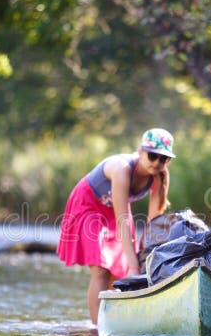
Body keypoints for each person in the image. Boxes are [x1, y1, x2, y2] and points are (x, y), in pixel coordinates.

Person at [57, 128, 175, 325]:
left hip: (113, 209)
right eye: (152, 155)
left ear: (168, 161)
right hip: (89, 204)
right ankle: (97, 328)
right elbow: (123, 221)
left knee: (119, 272)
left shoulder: (159, 177)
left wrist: (150, 258)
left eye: (162, 159)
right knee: (102, 269)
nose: (156, 162)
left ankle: (115, 322)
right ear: (140, 151)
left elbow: (153, 223)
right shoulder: (122, 169)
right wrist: (134, 265)